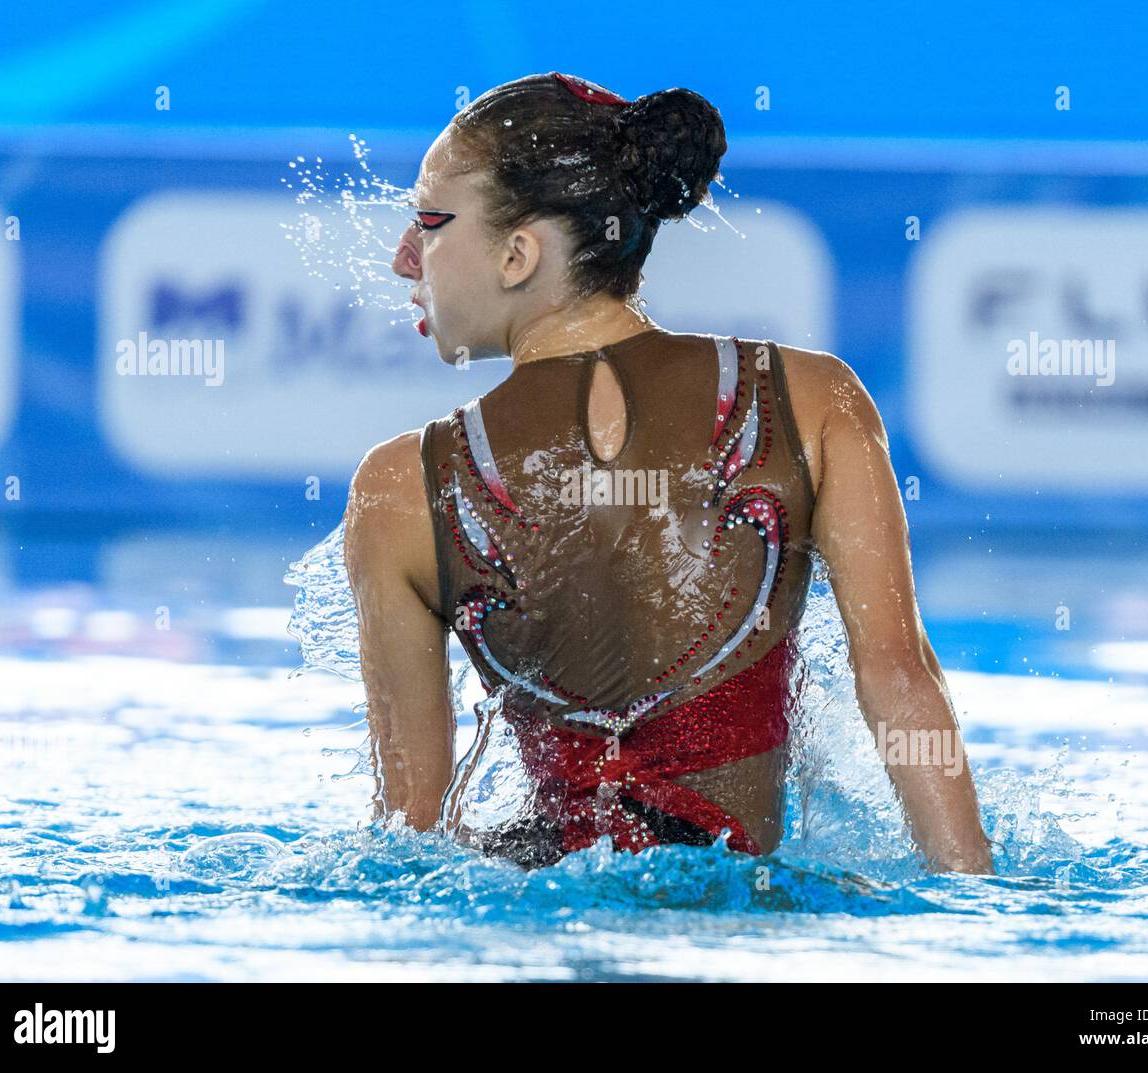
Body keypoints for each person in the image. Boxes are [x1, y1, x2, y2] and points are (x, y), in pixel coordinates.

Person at [344, 72, 993, 874]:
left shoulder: (400, 489)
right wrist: (976, 897)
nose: (404, 254)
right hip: (756, 926)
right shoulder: (813, 403)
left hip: (535, 922)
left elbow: (408, 839)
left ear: (519, 255)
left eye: (431, 222)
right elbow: (899, 679)